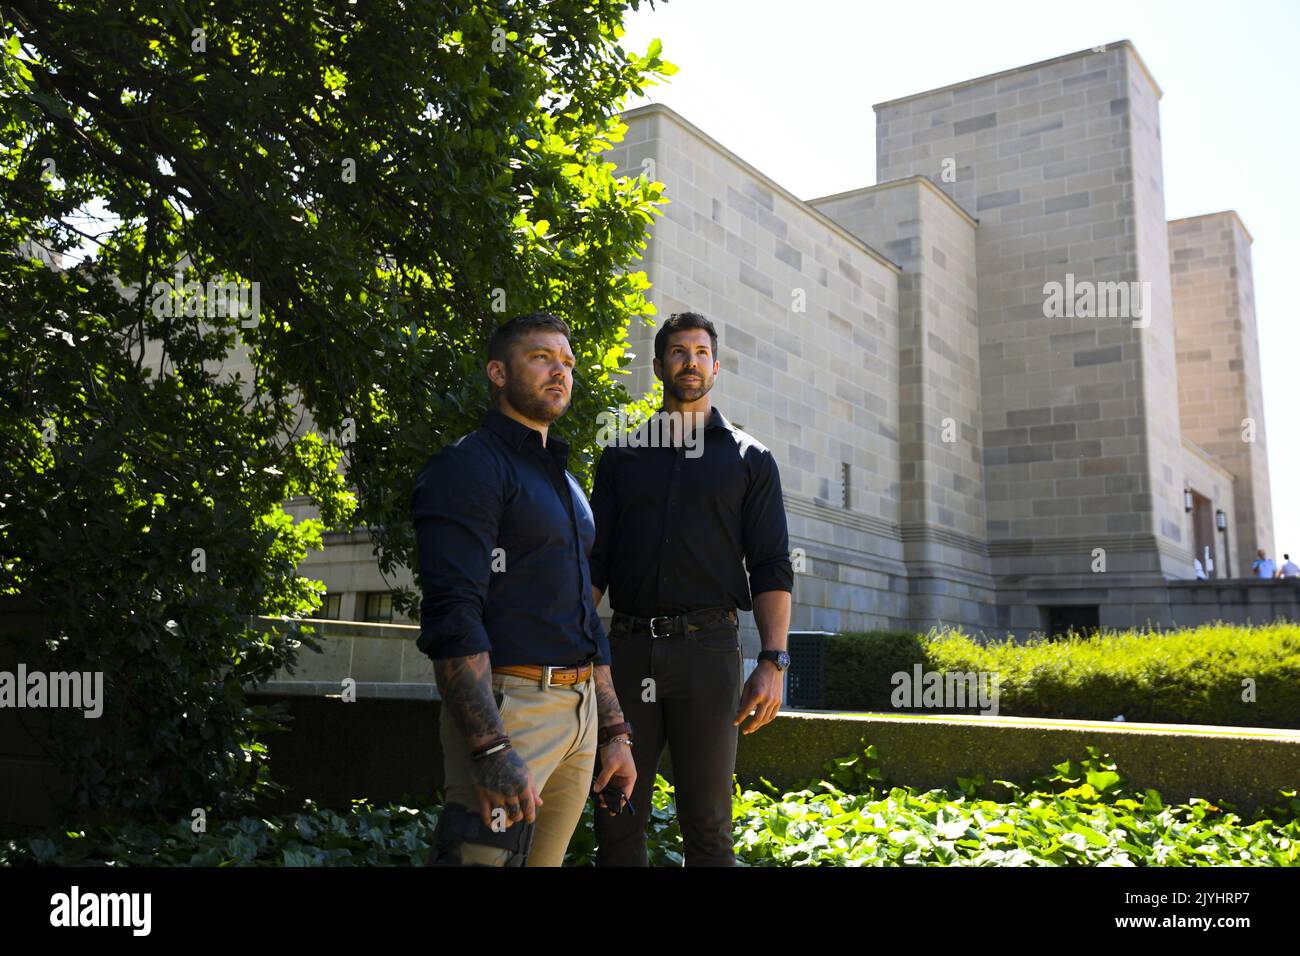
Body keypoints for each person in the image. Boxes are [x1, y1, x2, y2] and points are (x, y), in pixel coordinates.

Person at [411, 311, 636, 866]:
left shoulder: (566, 483)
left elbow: (586, 616)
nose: (559, 372)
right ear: (498, 372)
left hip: (580, 716)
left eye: (567, 363)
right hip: (512, 710)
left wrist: (613, 730)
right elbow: (452, 613)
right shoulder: (467, 467)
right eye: (541, 358)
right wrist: (489, 746)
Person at [589, 311, 794, 867]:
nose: (691, 361)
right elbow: (594, 565)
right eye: (679, 352)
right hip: (627, 653)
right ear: (658, 366)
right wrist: (575, 652)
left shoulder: (751, 460)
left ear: (716, 366)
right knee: (615, 811)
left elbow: (772, 565)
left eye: (702, 352)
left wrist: (773, 660)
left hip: (709, 654)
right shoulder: (620, 457)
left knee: (708, 825)